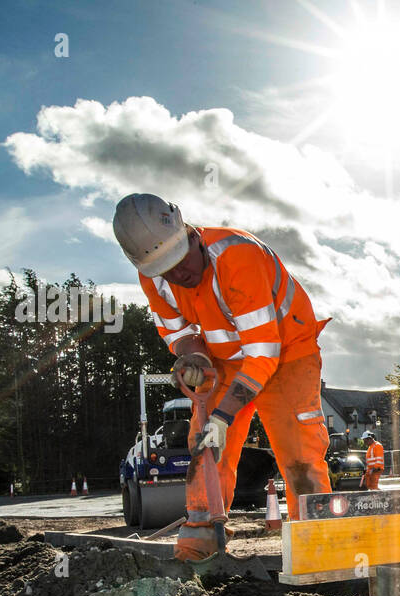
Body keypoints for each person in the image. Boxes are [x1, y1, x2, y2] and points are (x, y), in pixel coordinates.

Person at [113, 193, 332, 561]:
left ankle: (320, 542)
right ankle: (201, 537)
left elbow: (263, 354)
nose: (178, 275)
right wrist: (193, 356)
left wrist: (224, 415)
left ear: (189, 233)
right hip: (225, 361)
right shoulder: (153, 273)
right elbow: (178, 334)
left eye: (181, 261)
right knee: (205, 444)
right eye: (166, 269)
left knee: (298, 448)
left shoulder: (238, 256)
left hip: (287, 349)